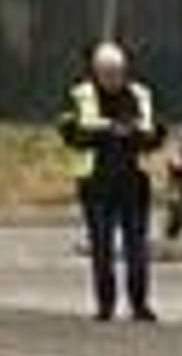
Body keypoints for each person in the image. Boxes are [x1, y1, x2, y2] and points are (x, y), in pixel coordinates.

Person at [56, 41, 165, 322]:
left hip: (134, 181)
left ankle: (139, 304)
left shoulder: (141, 95)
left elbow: (156, 134)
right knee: (102, 246)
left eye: (117, 72)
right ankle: (105, 304)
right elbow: (70, 135)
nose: (112, 78)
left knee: (137, 248)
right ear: (96, 72)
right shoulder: (81, 96)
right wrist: (108, 131)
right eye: (106, 72)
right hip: (97, 182)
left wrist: (132, 134)